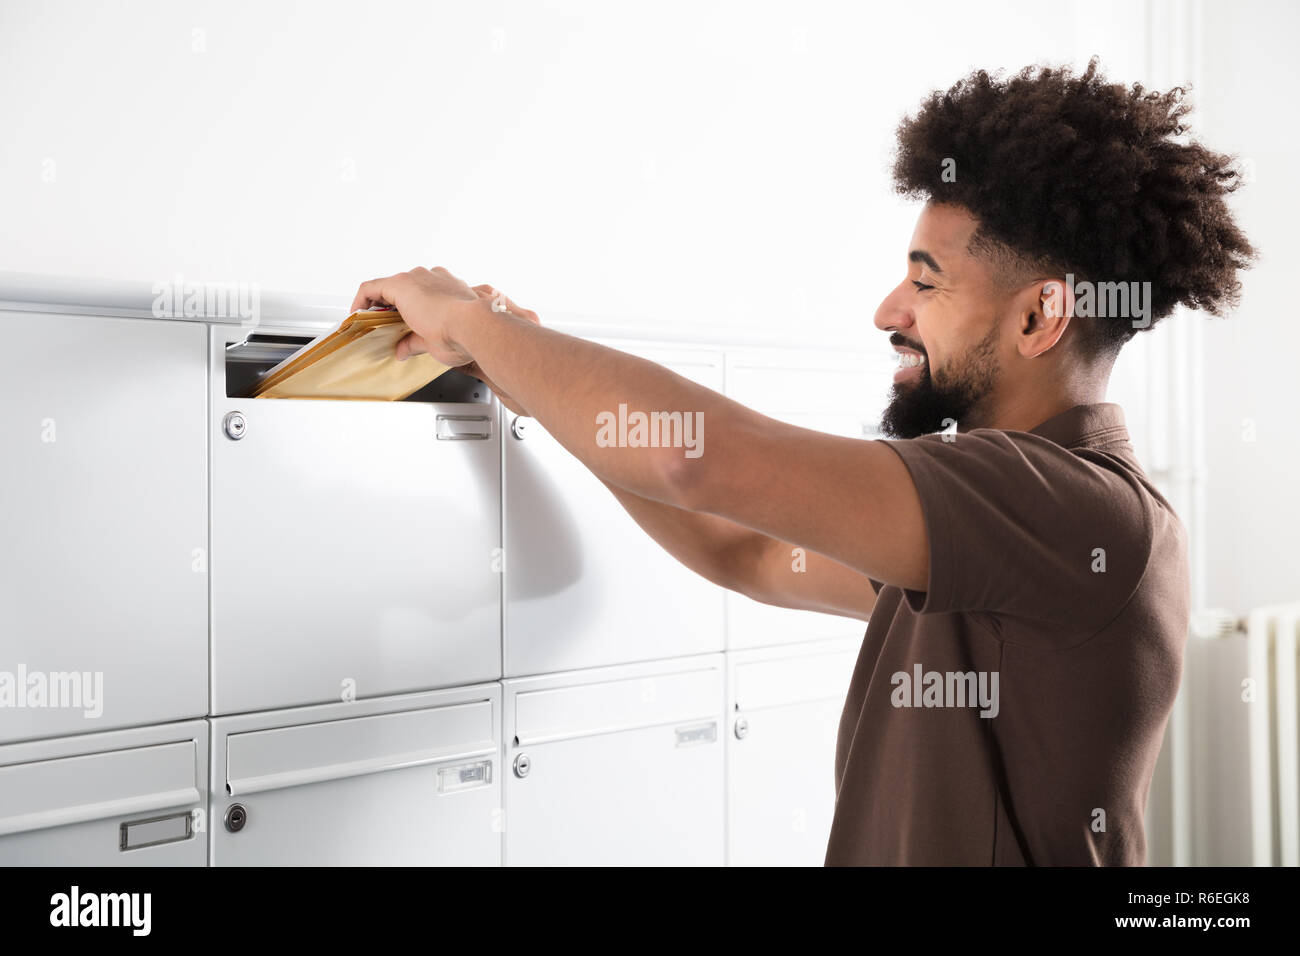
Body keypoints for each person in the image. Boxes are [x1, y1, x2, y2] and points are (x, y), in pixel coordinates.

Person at [352, 58, 1254, 865]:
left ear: (1037, 318)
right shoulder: (985, 519)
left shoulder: (1073, 508)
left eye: (927, 281)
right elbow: (737, 547)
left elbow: (699, 462)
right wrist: (525, 376)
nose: (888, 309)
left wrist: (472, 321)